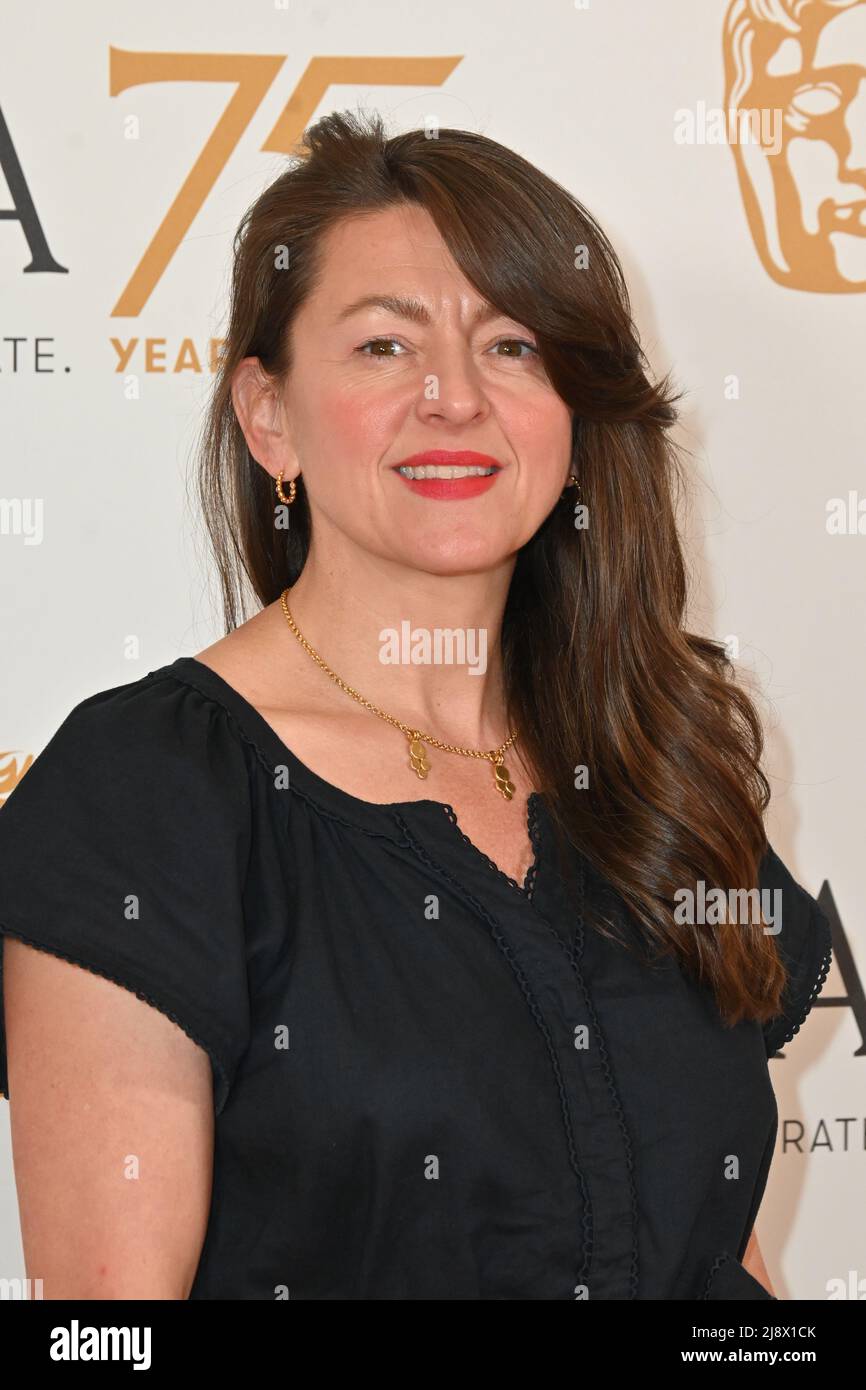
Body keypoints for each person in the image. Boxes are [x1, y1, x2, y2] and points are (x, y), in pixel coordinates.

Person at [0, 110, 832, 1300]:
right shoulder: (148, 794)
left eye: (512, 346)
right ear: (267, 416)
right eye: (385, 347)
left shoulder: (654, 754)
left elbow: (720, 1250)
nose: (454, 397)